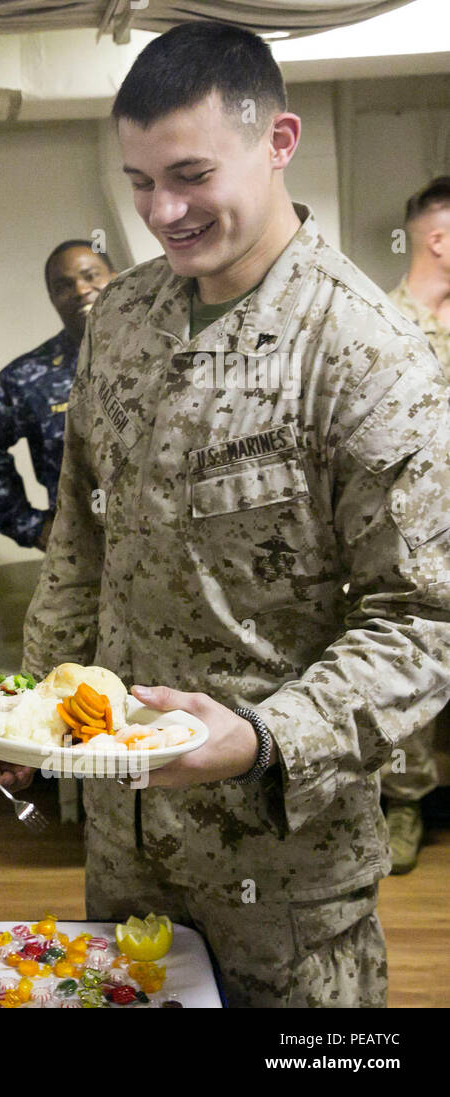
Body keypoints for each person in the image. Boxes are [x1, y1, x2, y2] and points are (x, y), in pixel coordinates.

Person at [0, 21, 450, 1007]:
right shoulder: (123, 322)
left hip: (285, 864)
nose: (162, 212)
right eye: (139, 181)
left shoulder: (368, 351)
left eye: (188, 174)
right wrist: (26, 724)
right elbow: (80, 544)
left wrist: (265, 735)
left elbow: (421, 624)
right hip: (124, 836)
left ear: (278, 142)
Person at [378, 176, 450, 872]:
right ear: (438, 239)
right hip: (411, 541)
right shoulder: (380, 326)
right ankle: (403, 803)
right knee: (410, 677)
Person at [0, 242, 115, 549]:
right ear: (53, 299)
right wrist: (31, 526)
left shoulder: (162, 349)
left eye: (90, 276)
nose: (81, 289)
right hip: (89, 553)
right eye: (64, 285)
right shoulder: (28, 376)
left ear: (116, 277)